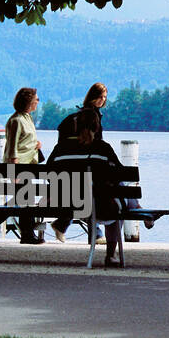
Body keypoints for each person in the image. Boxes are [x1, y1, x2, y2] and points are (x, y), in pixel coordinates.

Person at [48, 107, 125, 266]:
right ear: (97, 127)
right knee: (119, 200)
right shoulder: (103, 148)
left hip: (67, 203)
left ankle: (63, 222)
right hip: (101, 206)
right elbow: (120, 174)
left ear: (76, 126)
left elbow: (49, 174)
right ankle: (111, 255)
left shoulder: (61, 148)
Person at [51, 83, 108, 242]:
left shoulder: (76, 117)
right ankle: (94, 233)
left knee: (81, 190)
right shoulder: (90, 115)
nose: (102, 100)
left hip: (67, 177)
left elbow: (51, 164)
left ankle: (66, 225)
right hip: (80, 172)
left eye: (104, 98)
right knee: (87, 190)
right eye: (99, 97)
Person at [0, 87, 45, 244]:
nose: (38, 102)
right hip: (18, 166)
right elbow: (12, 146)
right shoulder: (16, 120)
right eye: (36, 99)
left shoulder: (27, 118)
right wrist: (13, 170)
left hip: (28, 165)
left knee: (23, 199)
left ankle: (26, 234)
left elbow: (25, 140)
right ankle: (26, 234)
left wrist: (36, 144)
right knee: (22, 199)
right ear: (28, 101)